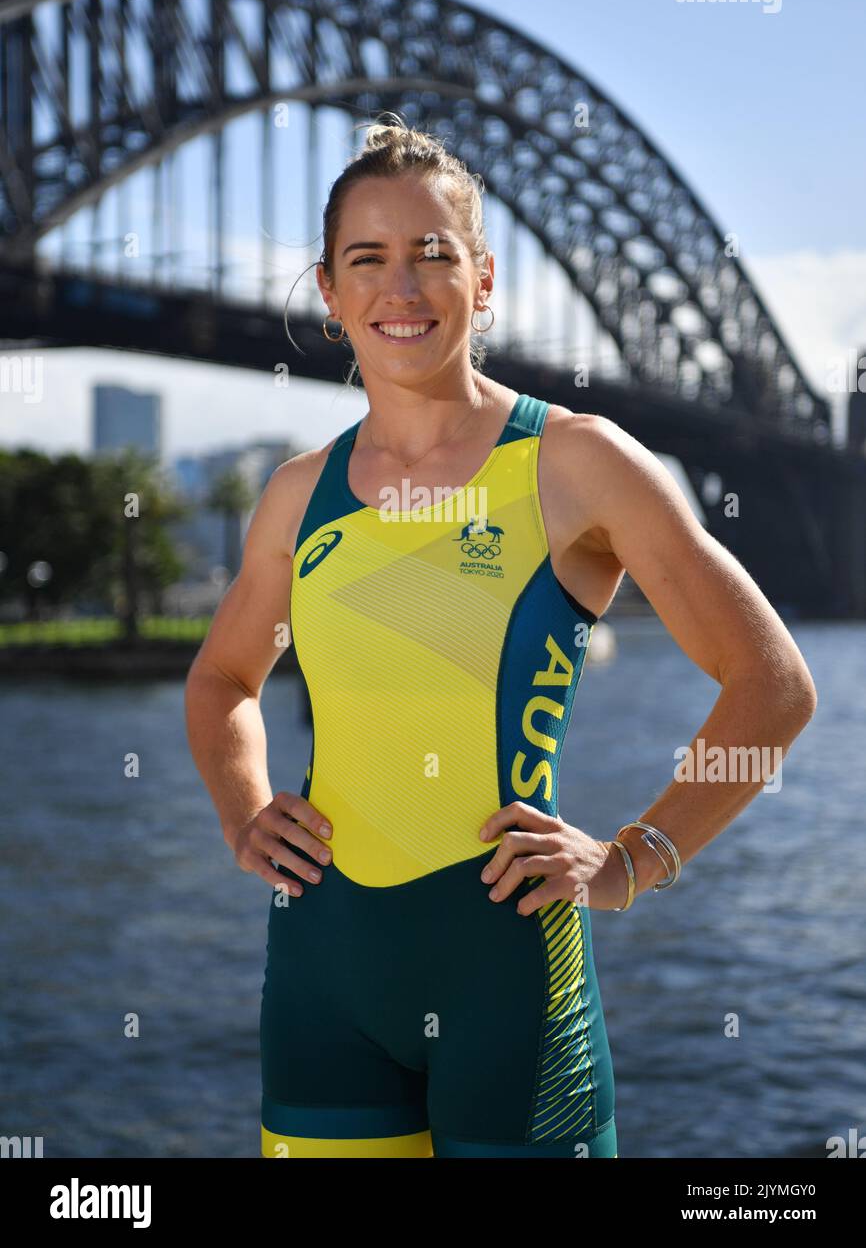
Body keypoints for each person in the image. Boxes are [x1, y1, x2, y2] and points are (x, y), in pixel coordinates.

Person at [184, 113, 817, 1159]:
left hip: (510, 984)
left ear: (481, 281)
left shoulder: (574, 464)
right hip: (320, 981)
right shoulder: (297, 495)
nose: (402, 286)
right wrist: (243, 810)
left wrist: (632, 857)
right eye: (368, 260)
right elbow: (222, 679)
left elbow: (771, 683)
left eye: (434, 255)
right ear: (329, 295)